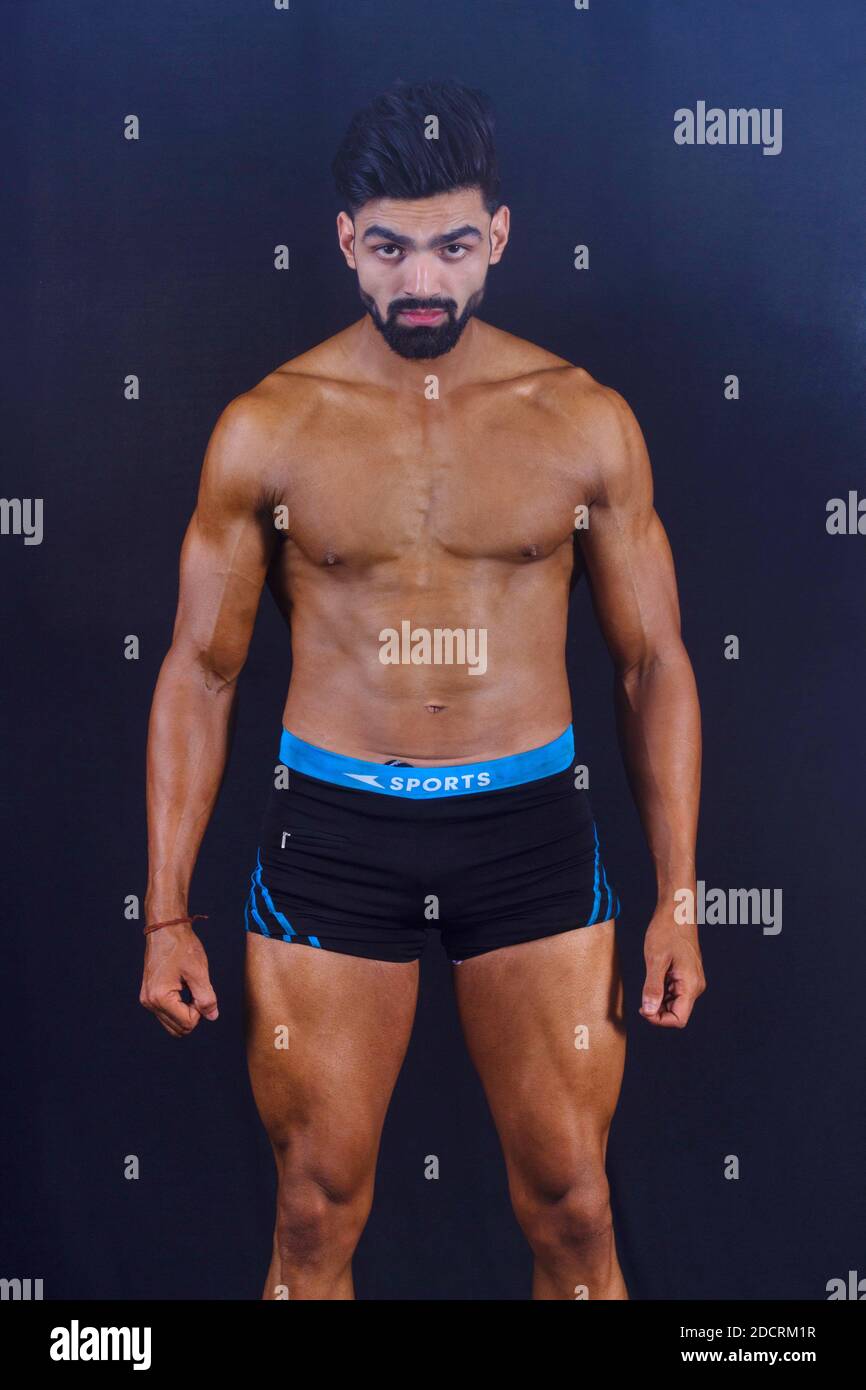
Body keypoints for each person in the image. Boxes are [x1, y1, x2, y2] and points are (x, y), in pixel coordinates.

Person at [140, 78, 705, 1301]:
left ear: (496, 237)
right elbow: (200, 667)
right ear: (346, 242)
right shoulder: (268, 427)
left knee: (571, 1205)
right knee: (310, 1214)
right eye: (390, 248)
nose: (422, 283)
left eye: (452, 246)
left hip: (530, 832)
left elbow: (651, 662)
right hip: (335, 835)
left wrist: (679, 896)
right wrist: (164, 911)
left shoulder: (581, 420)